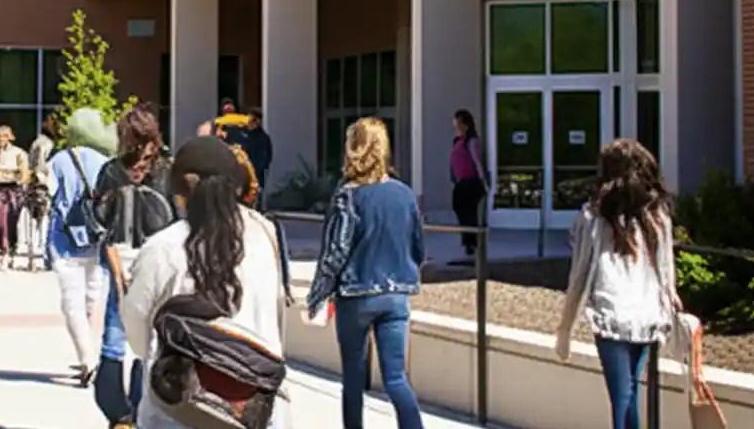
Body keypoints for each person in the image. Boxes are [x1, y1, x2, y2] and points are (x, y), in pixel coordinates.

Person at [121, 136, 289, 428]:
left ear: (182, 191)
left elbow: (136, 328)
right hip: (255, 409)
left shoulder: (164, 247)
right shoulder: (265, 236)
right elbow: (276, 319)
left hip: (178, 408)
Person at [306, 117, 425, 429]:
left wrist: (317, 294)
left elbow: (335, 252)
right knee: (397, 378)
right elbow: (418, 247)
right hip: (396, 293)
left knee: (354, 379)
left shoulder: (348, 195)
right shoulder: (405, 194)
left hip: (356, 295)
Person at [556, 139, 678, 429]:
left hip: (611, 313)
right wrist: (670, 299)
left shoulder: (594, 217)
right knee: (630, 389)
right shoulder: (657, 215)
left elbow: (580, 275)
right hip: (646, 314)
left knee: (622, 394)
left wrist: (565, 329)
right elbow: (666, 270)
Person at [90, 103, 171, 428]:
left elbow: (176, 222)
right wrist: (116, 269)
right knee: (115, 333)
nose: (141, 161)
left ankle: (138, 412)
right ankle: (119, 414)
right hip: (123, 260)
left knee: (149, 342)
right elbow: (101, 226)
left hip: (159, 262)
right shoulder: (112, 171)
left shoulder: (166, 168)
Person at [46, 108, 115, 387]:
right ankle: (91, 353)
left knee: (71, 301)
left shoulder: (59, 160)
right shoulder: (106, 162)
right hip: (97, 238)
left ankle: (87, 359)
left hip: (65, 239)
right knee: (91, 297)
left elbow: (50, 194)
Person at [0, 125, 30, 271]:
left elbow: (24, 172)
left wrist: (20, 182)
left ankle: (12, 248)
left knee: (12, 221)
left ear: (10, 137)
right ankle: (2, 250)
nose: (1, 139)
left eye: (4, 136)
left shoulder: (19, 153)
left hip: (14, 188)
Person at [450, 109, 488, 259]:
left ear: (465, 124)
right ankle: (466, 240)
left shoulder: (472, 141)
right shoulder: (457, 141)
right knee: (458, 208)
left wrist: (483, 182)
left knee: (469, 213)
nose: (456, 126)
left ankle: (471, 244)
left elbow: (477, 162)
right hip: (460, 181)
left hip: (471, 182)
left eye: (458, 123)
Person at [25, 117, 58, 267]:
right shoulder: (46, 144)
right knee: (43, 219)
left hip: (33, 184)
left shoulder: (36, 142)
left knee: (33, 219)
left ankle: (33, 252)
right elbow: (40, 164)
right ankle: (44, 251)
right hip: (42, 184)